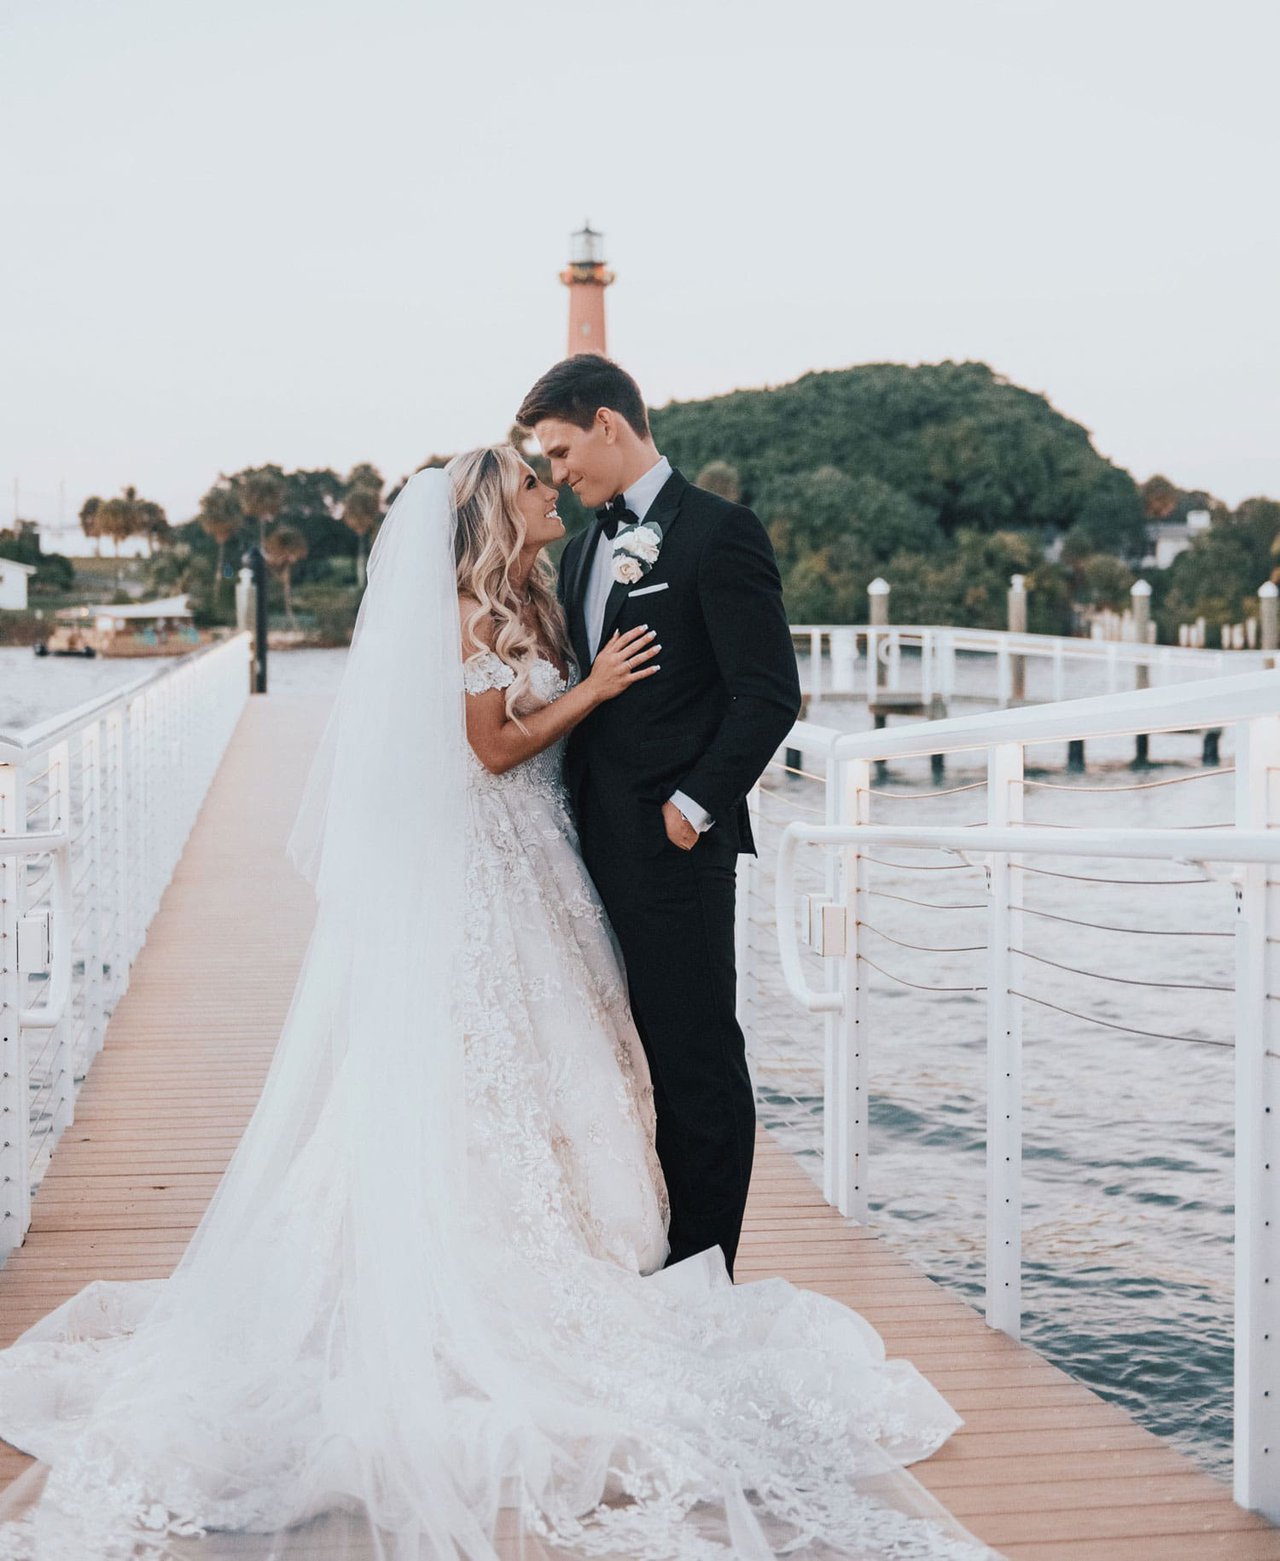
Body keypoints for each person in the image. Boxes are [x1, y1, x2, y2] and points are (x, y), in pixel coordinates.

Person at [0, 452, 996, 1561]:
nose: (556, 494)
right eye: (537, 482)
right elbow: (486, 747)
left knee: (558, 1052)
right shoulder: (475, 600)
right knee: (487, 1057)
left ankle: (596, 1247)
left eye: (556, 471)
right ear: (493, 506)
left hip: (548, 856)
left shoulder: (538, 581)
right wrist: (594, 689)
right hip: (486, 860)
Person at [516, 355, 801, 1279]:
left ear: (608, 422)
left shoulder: (719, 532)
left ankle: (707, 1270)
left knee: (696, 1058)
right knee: (621, 1055)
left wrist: (692, 807)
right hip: (583, 843)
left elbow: (768, 696)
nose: (558, 474)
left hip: (675, 846)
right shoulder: (585, 548)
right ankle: (649, 1243)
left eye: (561, 451)